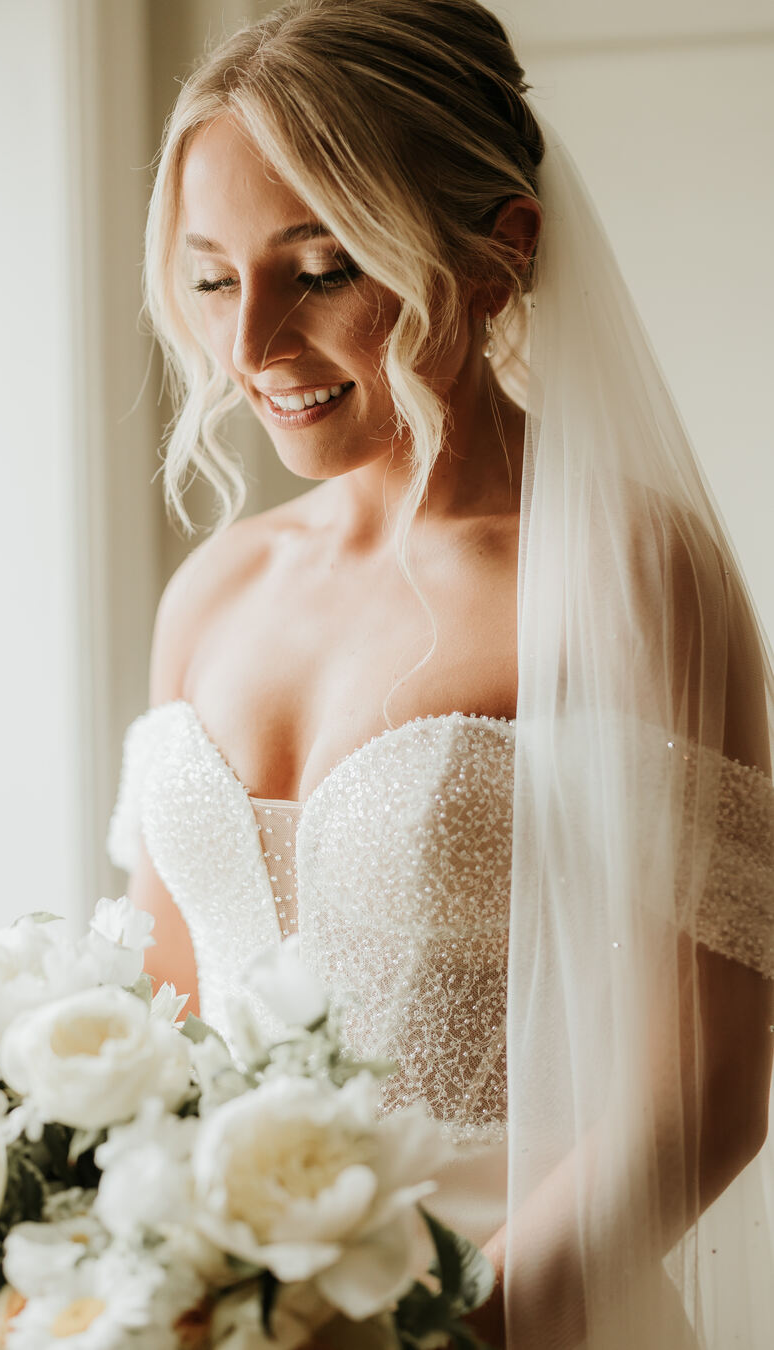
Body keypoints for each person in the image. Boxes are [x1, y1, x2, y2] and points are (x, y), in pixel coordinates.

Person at [106, 2, 774, 1345]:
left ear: (498, 251)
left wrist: (447, 1329)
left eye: (321, 266)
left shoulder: (625, 571)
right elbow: (155, 1022)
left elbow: (706, 1083)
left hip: (518, 1312)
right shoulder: (214, 589)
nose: (252, 352)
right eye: (215, 276)